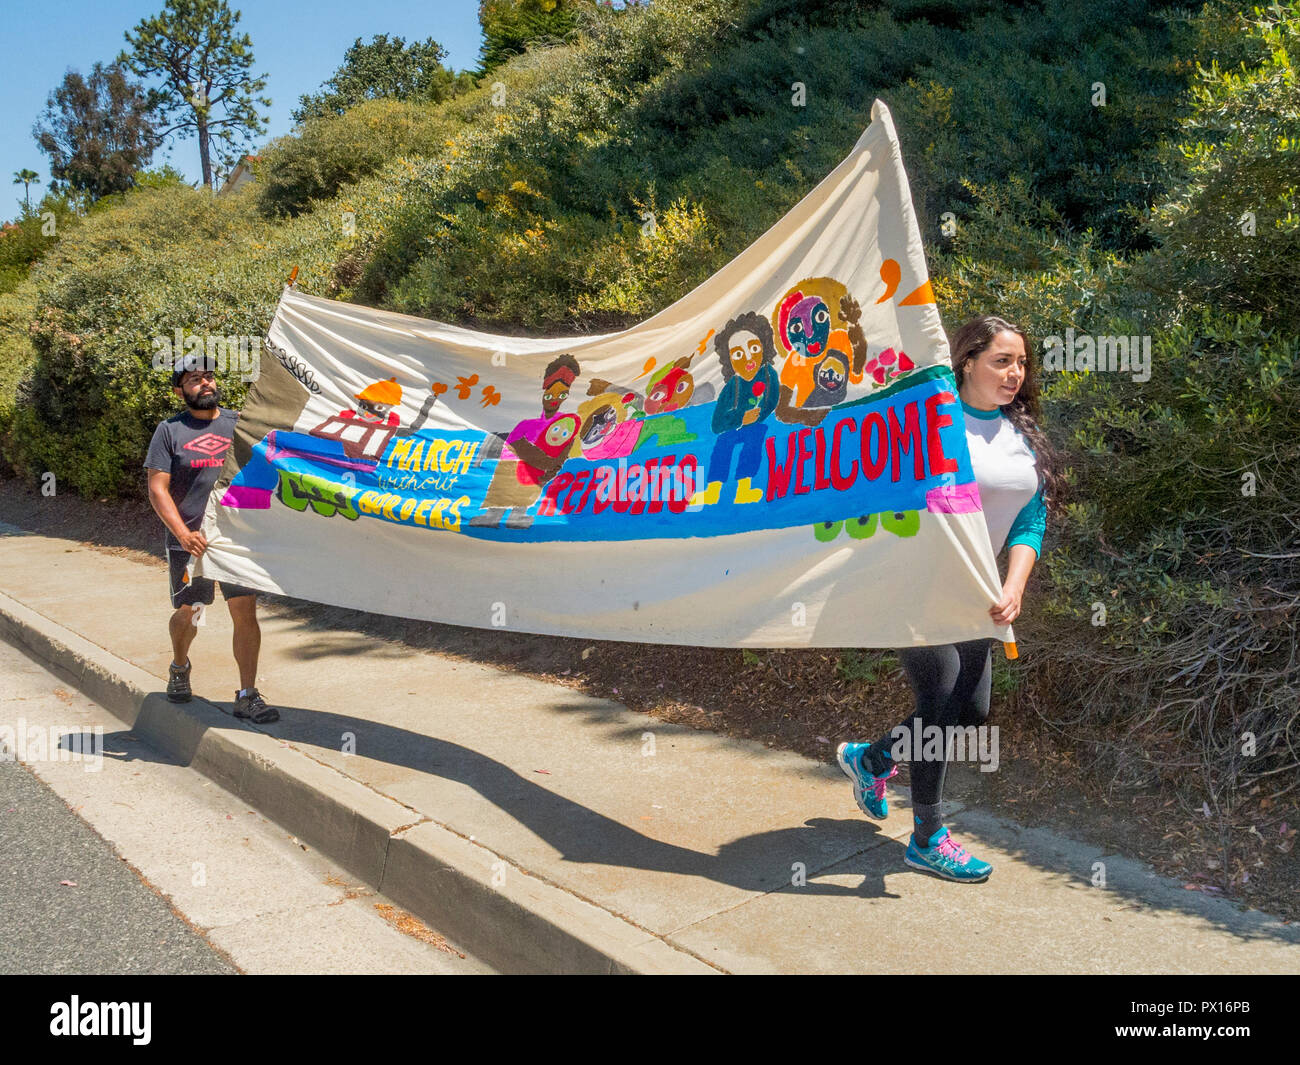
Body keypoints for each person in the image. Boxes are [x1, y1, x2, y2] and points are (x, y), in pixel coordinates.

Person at [837, 315, 1061, 882]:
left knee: (973, 711)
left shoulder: (1020, 435)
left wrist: (1013, 585)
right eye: (1002, 361)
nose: (1016, 374)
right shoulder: (931, 424)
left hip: (979, 592)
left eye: (1021, 363)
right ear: (966, 362)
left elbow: (1030, 520)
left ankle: (873, 758)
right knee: (937, 701)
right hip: (913, 586)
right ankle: (928, 836)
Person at [143, 353, 279, 723]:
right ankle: (179, 665)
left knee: (245, 612)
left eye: (208, 377)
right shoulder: (169, 431)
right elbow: (158, 488)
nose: (205, 384)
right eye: (193, 380)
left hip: (234, 538)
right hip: (190, 540)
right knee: (191, 612)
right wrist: (183, 533)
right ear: (179, 391)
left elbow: (269, 466)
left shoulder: (239, 424)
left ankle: (247, 695)